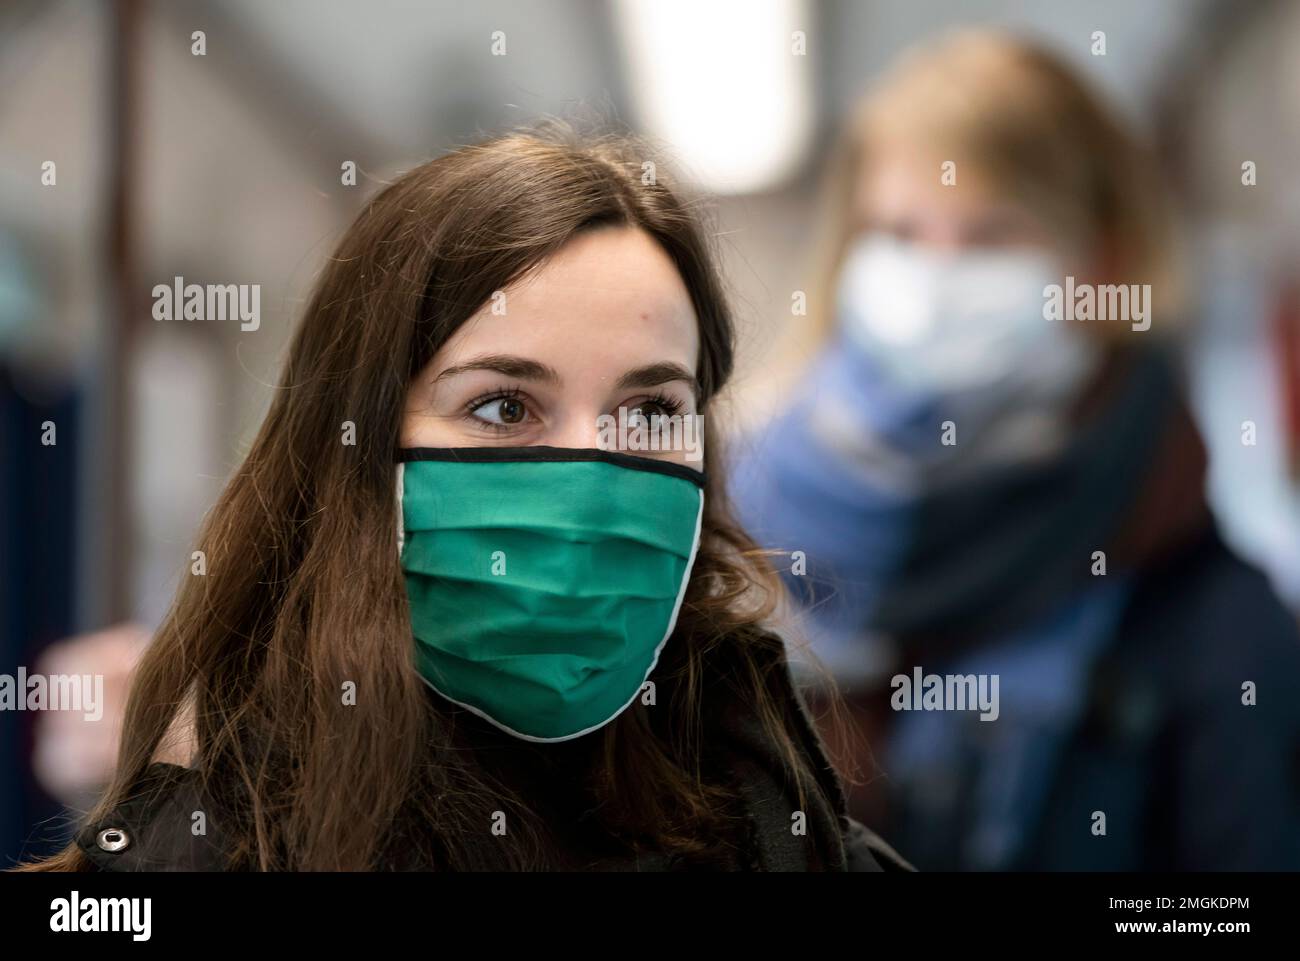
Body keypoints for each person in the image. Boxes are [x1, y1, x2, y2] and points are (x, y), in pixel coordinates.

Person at [14, 123, 909, 872]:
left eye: (649, 412)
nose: (588, 476)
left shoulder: (800, 832)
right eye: (503, 406)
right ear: (357, 449)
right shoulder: (206, 843)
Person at [729, 30, 1300, 870]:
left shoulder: (1217, 630)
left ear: (1103, 261)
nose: (933, 280)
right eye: (898, 230)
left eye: (991, 235)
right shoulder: (741, 544)